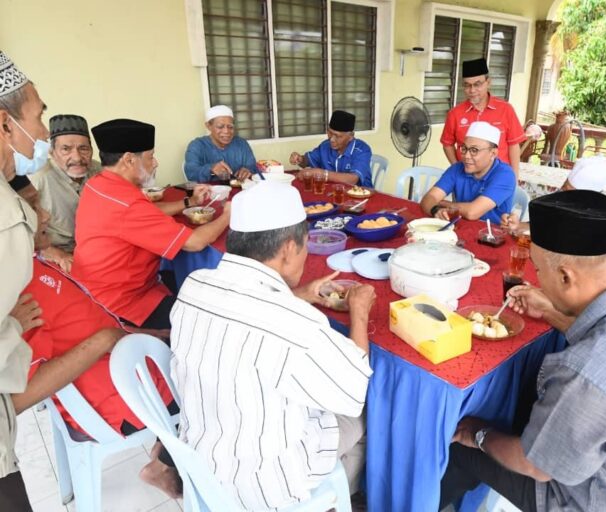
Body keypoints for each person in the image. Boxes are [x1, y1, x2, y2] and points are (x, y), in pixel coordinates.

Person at [439, 190, 606, 511]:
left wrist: (477, 433)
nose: (538, 280)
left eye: (539, 271)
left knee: (456, 442)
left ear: (565, 275)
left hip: (601, 498)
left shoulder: (584, 373)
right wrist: (552, 314)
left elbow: (536, 466)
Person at [171, 181, 374, 510]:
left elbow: (246, 308)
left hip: (202, 462)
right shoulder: (294, 322)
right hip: (264, 485)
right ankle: (335, 498)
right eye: (306, 246)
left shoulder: (194, 285)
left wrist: (299, 293)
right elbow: (354, 388)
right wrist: (359, 312)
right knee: (366, 415)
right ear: (289, 248)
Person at [10, 197, 180, 498]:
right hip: (114, 399)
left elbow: (87, 320)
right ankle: (166, 467)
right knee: (211, 375)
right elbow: (18, 398)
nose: (47, 214)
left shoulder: (32, 263)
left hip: (120, 366)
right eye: (35, 206)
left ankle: (167, 445)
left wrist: (136, 334)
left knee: (182, 339)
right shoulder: (19, 288)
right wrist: (106, 339)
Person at [72, 119, 231, 331]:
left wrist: (189, 202)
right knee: (211, 319)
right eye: (150, 156)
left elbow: (147, 213)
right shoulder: (127, 204)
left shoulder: (98, 184)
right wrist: (229, 215)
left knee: (182, 283)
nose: (155, 163)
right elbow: (195, 242)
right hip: (120, 304)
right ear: (129, 160)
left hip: (91, 289)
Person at [0, 50, 48, 511]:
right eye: (37, 117)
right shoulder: (6, 217)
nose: (43, 133)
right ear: (3, 123)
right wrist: (10, 324)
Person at [501, 155, 606, 252]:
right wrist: (518, 225)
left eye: (572, 193)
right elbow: (545, 225)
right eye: (565, 188)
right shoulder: (562, 200)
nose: (564, 195)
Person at [28, 114, 101, 272]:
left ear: (92, 150)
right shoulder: (38, 178)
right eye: (66, 149)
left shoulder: (99, 172)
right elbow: (21, 229)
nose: (76, 157)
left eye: (83, 148)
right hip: (56, 255)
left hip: (94, 250)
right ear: (52, 152)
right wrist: (55, 253)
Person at [440, 58, 526, 175]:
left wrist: (514, 177)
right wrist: (457, 170)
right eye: (467, 85)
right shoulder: (455, 114)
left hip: (498, 178)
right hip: (467, 179)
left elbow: (514, 145)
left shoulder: (505, 109)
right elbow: (447, 144)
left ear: (488, 82)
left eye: (477, 84)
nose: (472, 90)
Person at [420, 121, 516, 224]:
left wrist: (442, 202)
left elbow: (472, 213)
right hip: (459, 226)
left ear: (493, 153)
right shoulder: (457, 168)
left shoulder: (505, 175)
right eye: (464, 148)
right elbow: (429, 198)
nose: (466, 156)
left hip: (492, 234)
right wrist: (436, 210)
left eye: (474, 150)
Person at [289, 110, 373, 187]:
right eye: (329, 133)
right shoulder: (325, 146)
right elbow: (307, 161)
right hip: (332, 193)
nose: (332, 139)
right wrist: (300, 159)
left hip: (361, 197)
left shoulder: (362, 150)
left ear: (351, 136)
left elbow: (352, 180)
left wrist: (322, 174)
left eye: (337, 136)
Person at [183, 105, 257, 183]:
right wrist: (211, 169)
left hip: (240, 192)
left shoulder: (241, 144)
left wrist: (248, 170)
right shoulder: (197, 146)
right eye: (220, 127)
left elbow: (253, 166)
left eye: (230, 127)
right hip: (208, 192)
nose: (226, 131)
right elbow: (190, 173)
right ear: (208, 126)